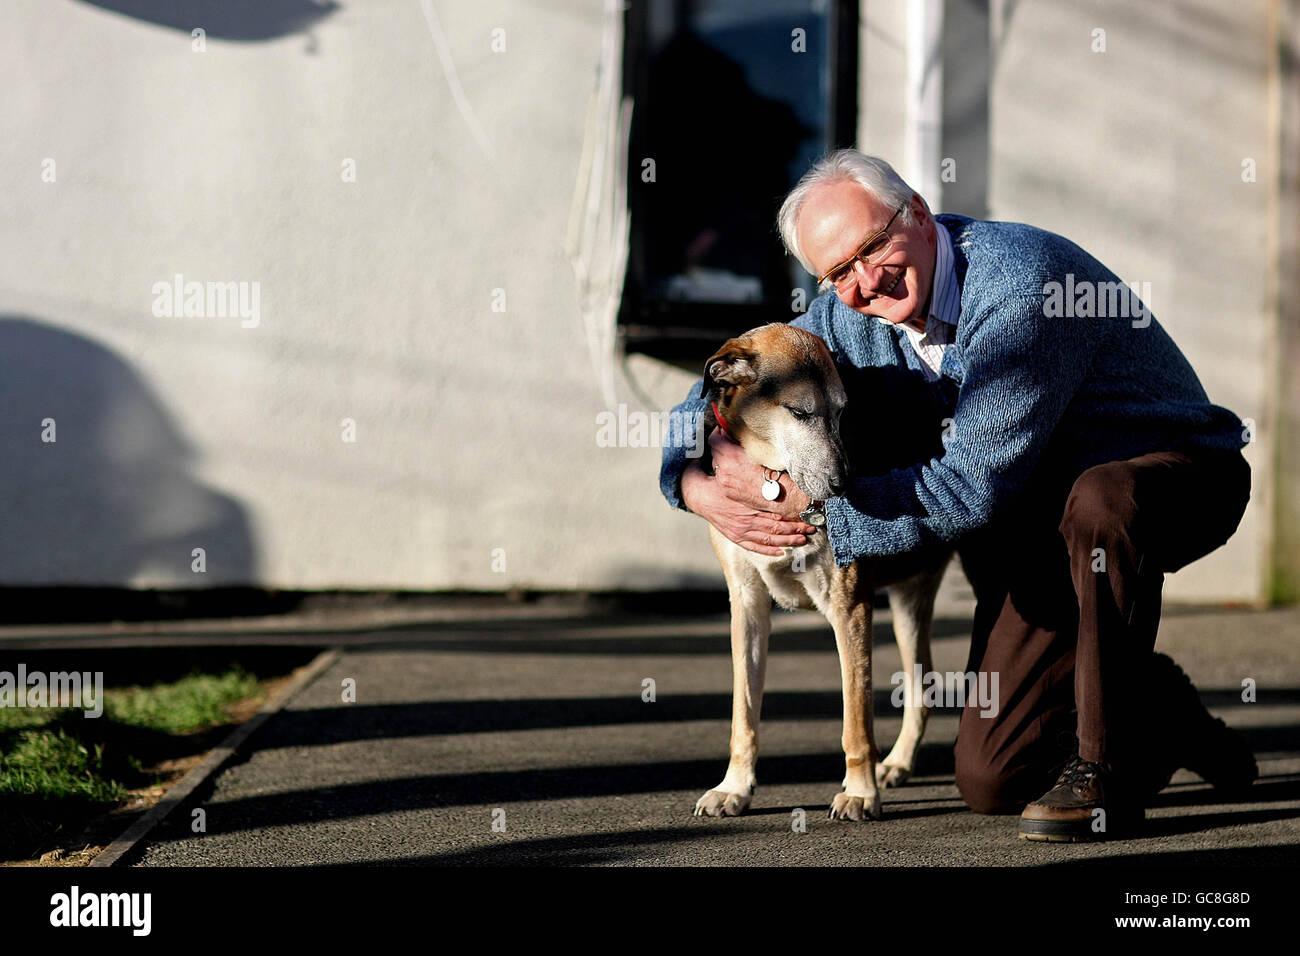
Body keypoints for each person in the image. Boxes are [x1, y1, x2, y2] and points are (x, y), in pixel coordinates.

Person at [657, 149, 1256, 841]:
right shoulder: (848, 311)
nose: (864, 281)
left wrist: (802, 505)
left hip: (1171, 475)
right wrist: (693, 479)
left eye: (873, 247)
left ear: (915, 211)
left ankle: (1105, 769)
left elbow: (969, 490)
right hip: (1036, 510)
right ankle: (1162, 709)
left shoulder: (1021, 287)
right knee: (991, 776)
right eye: (837, 272)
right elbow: (739, 373)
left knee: (1101, 501)